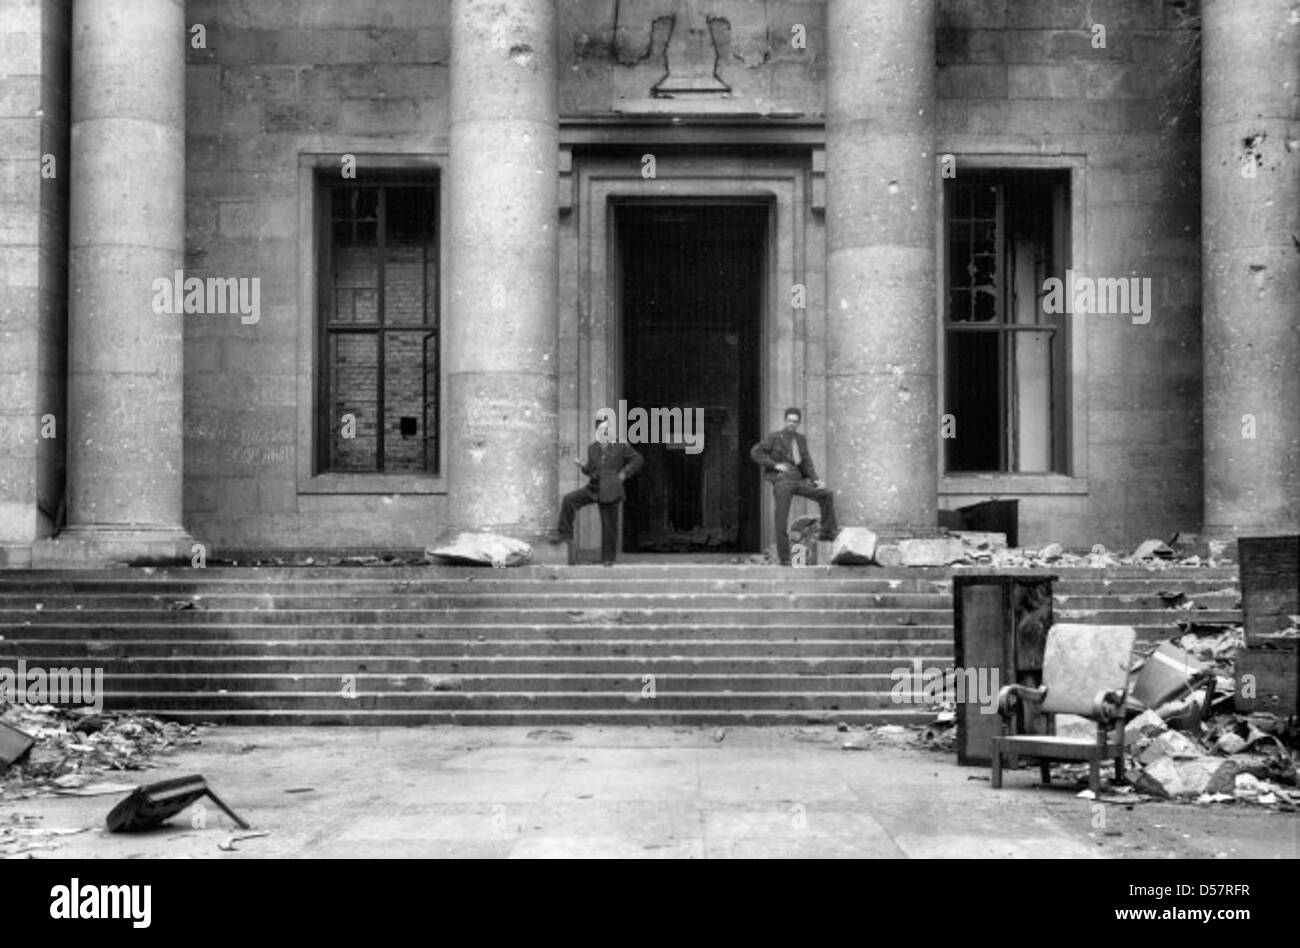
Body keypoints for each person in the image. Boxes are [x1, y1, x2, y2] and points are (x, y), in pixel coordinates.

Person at [750, 407, 839, 565]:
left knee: (826, 494)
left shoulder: (801, 439)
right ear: (785, 421)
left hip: (798, 480)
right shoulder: (775, 437)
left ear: (799, 423)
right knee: (781, 519)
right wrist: (775, 465)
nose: (792, 424)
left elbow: (806, 462)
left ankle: (827, 534)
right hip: (782, 481)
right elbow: (755, 452)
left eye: (795, 421)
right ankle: (784, 558)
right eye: (789, 421)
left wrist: (816, 480)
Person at [556, 412, 644, 566]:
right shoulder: (593, 448)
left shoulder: (621, 446)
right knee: (569, 500)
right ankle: (565, 535)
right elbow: (591, 469)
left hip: (610, 488)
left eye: (607, 429)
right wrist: (582, 466)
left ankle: (608, 558)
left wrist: (624, 473)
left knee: (609, 524)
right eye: (601, 429)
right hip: (594, 488)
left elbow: (638, 459)